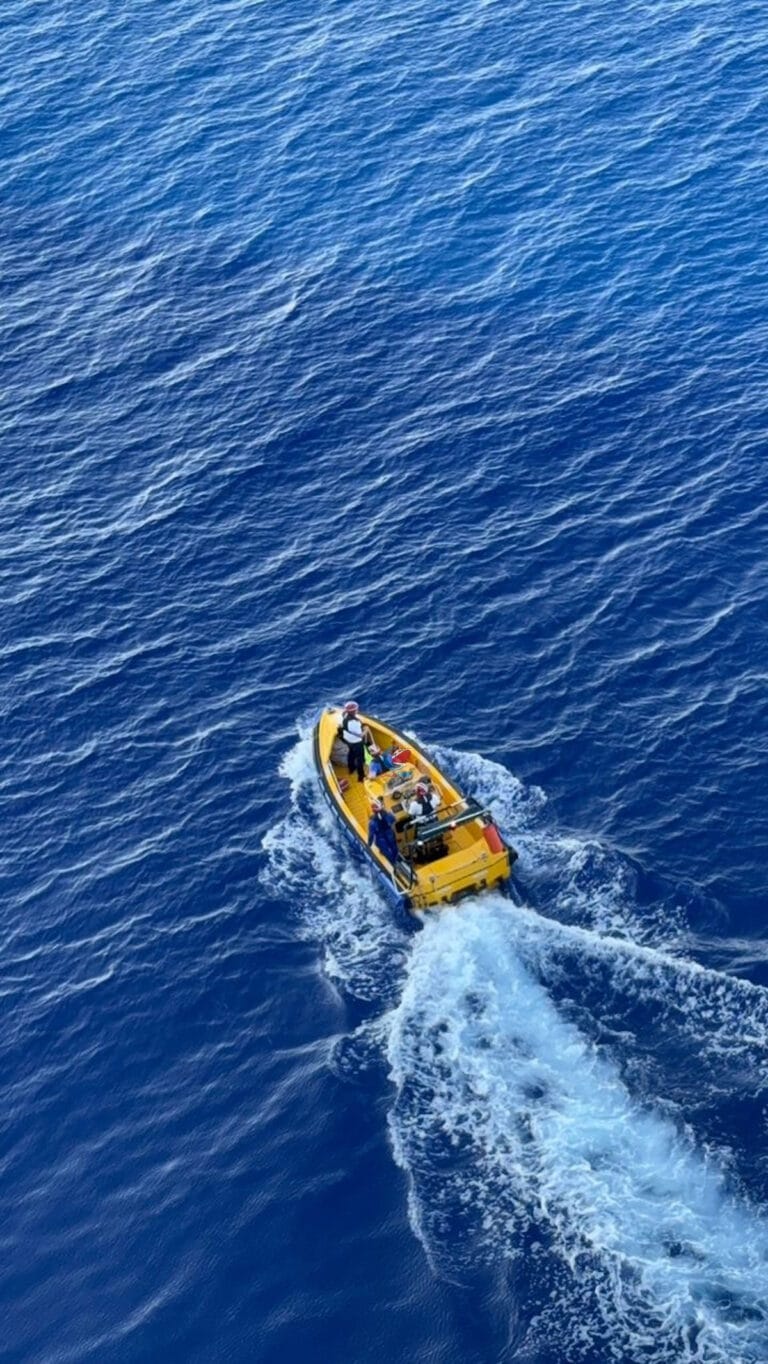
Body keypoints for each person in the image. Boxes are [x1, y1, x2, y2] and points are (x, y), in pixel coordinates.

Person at [340, 701, 372, 782]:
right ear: (354, 711)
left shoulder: (345, 716)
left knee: (351, 754)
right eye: (356, 709)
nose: (357, 710)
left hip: (348, 740)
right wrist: (366, 730)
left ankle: (351, 769)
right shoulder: (354, 723)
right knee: (359, 759)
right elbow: (360, 735)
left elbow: (343, 714)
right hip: (356, 742)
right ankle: (361, 777)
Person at [367, 799, 399, 866]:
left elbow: (371, 835)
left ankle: (393, 863)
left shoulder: (372, 822)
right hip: (388, 834)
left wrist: (368, 845)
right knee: (393, 848)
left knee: (388, 850)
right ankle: (394, 861)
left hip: (382, 837)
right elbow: (394, 819)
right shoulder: (387, 814)